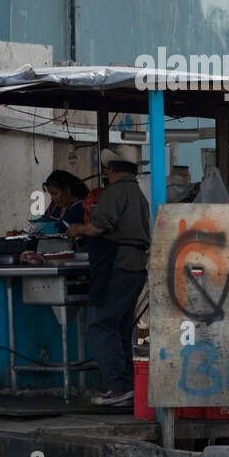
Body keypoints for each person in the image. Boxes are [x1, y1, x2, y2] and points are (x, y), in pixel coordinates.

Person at [67, 147, 149, 405]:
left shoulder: (115, 192)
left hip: (117, 264)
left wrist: (77, 228)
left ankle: (117, 386)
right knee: (121, 328)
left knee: (100, 325)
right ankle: (128, 386)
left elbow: (99, 226)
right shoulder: (138, 194)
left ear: (112, 170)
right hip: (135, 266)